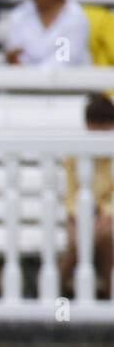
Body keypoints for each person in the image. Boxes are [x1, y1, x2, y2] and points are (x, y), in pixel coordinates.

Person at [59, 94, 114, 299]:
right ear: (88, 125)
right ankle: (60, 289)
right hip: (78, 215)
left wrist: (106, 215)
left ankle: (59, 288)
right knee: (79, 241)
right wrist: (78, 216)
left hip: (106, 216)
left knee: (106, 237)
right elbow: (72, 193)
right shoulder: (75, 153)